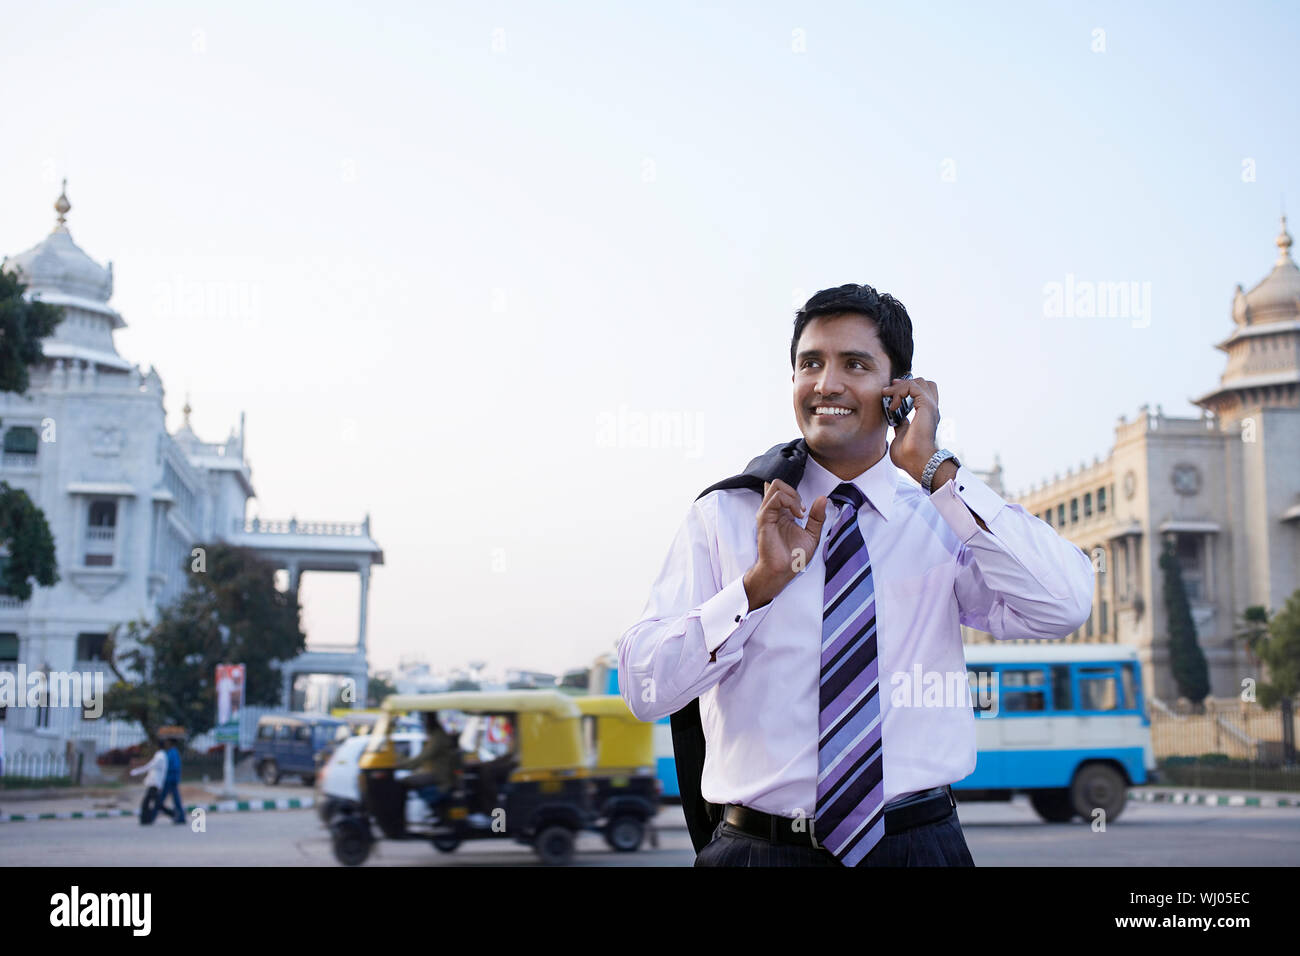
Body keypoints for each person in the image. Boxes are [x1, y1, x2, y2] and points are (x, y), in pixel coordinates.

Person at [618, 283, 1095, 867]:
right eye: (810, 363)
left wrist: (938, 470)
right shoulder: (727, 516)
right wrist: (757, 587)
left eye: (856, 364)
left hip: (916, 847)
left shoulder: (943, 516)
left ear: (900, 392)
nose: (827, 384)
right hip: (759, 852)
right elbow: (646, 689)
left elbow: (1064, 604)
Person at [129, 746, 168, 825]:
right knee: (153, 802)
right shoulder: (161, 756)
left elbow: (149, 766)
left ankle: (146, 819)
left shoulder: (160, 757)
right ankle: (146, 819)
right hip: (154, 783)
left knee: (150, 803)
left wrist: (137, 771)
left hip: (155, 784)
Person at [158, 738, 185, 824]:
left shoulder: (173, 753)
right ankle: (179, 816)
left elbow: (175, 766)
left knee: (164, 799)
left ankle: (180, 817)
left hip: (171, 779)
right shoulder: (169, 752)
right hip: (168, 779)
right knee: (172, 799)